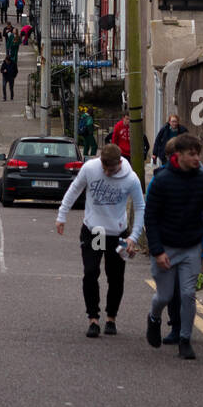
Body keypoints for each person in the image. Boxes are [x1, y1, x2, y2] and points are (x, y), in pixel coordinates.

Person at [56, 143, 145, 337]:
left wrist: (133, 237)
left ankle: (111, 317)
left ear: (119, 163)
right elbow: (74, 189)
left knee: (115, 277)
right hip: (94, 230)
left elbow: (140, 207)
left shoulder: (131, 179)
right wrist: (62, 215)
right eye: (104, 167)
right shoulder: (90, 168)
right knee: (91, 271)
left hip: (118, 234)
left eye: (110, 169)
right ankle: (93, 319)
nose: (106, 171)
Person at [144, 132, 203, 359]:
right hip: (166, 247)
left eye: (199, 154)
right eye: (192, 154)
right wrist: (157, 251)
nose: (197, 158)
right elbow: (151, 217)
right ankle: (154, 317)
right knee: (164, 296)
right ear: (179, 155)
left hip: (191, 247)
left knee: (187, 294)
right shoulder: (161, 180)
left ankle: (185, 339)